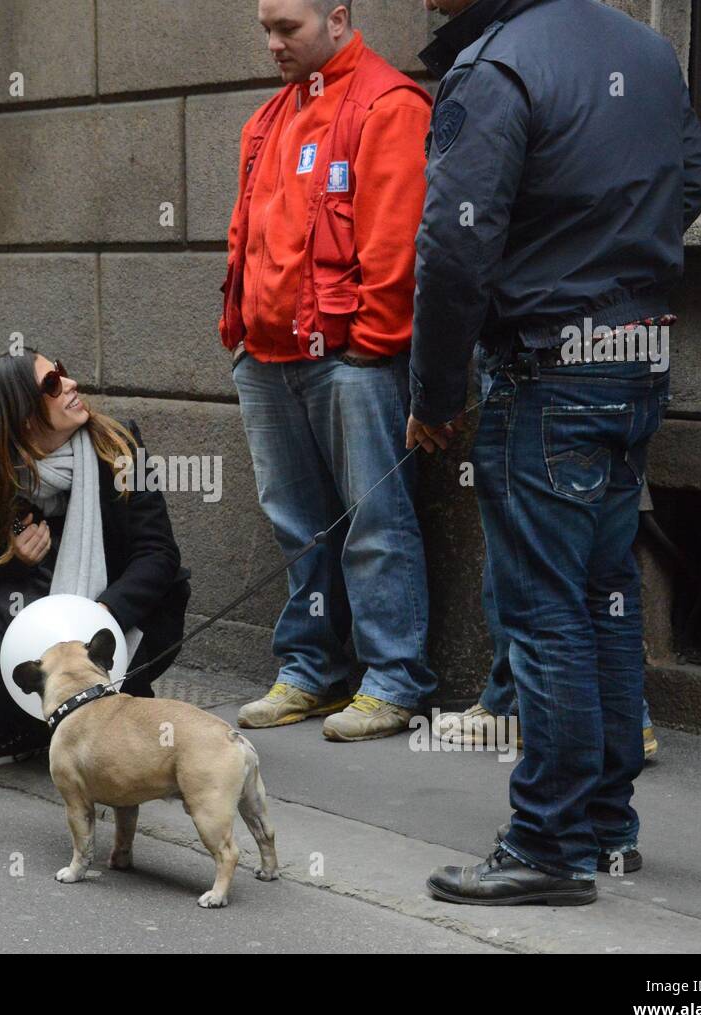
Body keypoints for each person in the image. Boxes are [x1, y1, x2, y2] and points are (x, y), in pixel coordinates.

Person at [409, 0, 701, 904]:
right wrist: (608, 254)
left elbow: (454, 249)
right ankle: (605, 827)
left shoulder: (496, 66)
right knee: (604, 600)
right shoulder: (646, 48)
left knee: (547, 614)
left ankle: (547, 844)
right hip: (634, 358)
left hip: (548, 364)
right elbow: (688, 184)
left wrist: (433, 395)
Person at [221, 0, 437, 742]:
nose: (273, 44)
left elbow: (398, 242)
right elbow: (249, 235)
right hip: (269, 355)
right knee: (298, 527)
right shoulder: (270, 118)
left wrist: (371, 346)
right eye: (266, 30)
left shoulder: (388, 104)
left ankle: (395, 679)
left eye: (290, 29)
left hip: (350, 359)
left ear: (338, 18)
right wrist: (244, 336)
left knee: (376, 520)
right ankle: (311, 671)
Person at [0, 350, 192, 769]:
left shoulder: (118, 447)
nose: (70, 385)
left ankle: (97, 719)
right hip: (29, 624)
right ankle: (38, 730)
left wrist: (101, 614)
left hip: (115, 621)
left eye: (62, 374)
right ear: (22, 417)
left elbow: (158, 552)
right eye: (52, 385)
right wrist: (10, 558)